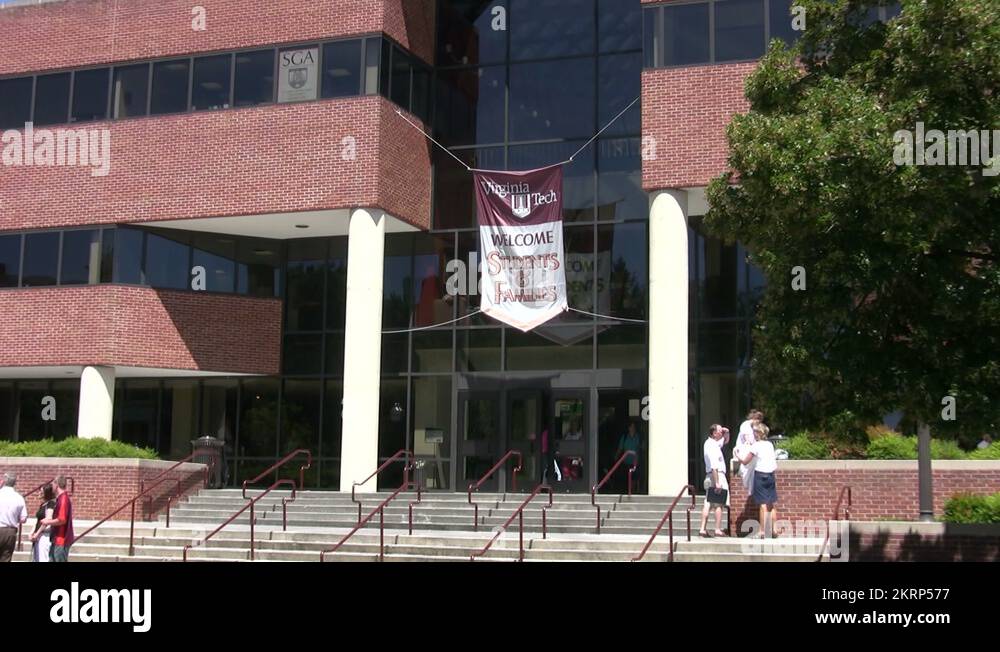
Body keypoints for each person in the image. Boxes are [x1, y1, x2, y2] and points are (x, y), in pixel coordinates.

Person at [737, 422, 779, 538]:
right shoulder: (770, 445)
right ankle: (774, 529)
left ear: (759, 433)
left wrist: (737, 455)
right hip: (770, 475)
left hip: (760, 475)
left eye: (755, 432)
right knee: (771, 503)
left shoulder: (756, 446)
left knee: (762, 504)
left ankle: (762, 531)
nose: (753, 434)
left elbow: (746, 461)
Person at [699, 424, 730, 537]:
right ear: (714, 433)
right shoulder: (712, 446)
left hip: (710, 475)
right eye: (719, 431)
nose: (721, 433)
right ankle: (717, 529)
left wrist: (726, 432)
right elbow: (714, 466)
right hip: (716, 475)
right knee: (718, 504)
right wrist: (717, 482)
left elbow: (725, 441)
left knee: (708, 502)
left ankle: (703, 528)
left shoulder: (712, 443)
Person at [40, 476, 74, 562]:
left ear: (57, 484)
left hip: (61, 539)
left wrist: (48, 521)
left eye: (52, 484)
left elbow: (62, 520)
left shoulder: (63, 500)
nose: (51, 486)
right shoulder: (60, 499)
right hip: (56, 538)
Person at [0, 472, 29, 563]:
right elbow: (23, 519)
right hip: (10, 531)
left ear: (4, 481)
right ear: (15, 483)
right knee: (6, 558)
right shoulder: (19, 498)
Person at [734, 409, 764, 490]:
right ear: (755, 419)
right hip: (744, 449)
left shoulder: (753, 426)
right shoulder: (746, 425)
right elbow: (748, 440)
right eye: (758, 421)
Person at [29, 484, 56, 563]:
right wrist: (31, 533)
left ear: (46, 493)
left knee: (43, 559)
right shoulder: (42, 505)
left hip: (44, 536)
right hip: (38, 535)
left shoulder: (50, 504)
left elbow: (48, 520)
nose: (39, 493)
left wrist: (37, 534)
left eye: (41, 492)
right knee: (36, 559)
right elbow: (38, 521)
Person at [615, 420, 642, 492]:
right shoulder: (624, 437)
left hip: (635, 463)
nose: (632, 428)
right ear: (628, 428)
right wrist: (616, 457)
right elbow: (620, 449)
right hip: (626, 462)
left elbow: (641, 448)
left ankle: (632, 492)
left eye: (634, 427)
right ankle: (628, 492)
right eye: (631, 427)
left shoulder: (638, 437)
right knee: (626, 480)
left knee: (634, 479)